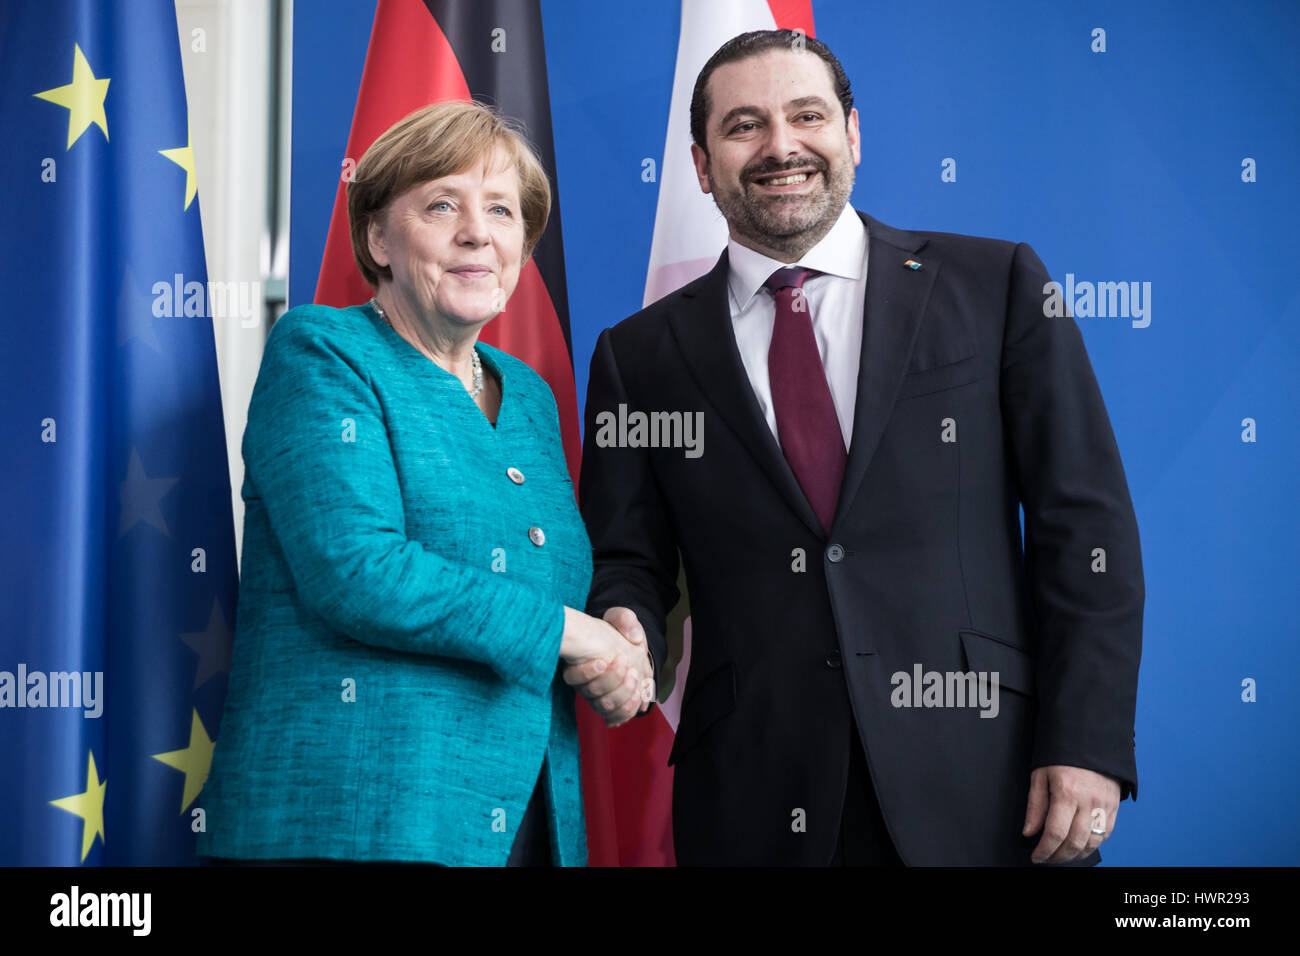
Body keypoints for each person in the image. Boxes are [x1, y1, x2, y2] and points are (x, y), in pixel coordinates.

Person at [570, 30, 1143, 866]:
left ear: (853, 134)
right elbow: (627, 556)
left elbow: (1085, 530)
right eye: (744, 126)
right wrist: (624, 617)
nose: (781, 146)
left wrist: (1087, 742)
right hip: (754, 795)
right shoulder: (640, 354)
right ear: (701, 164)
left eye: (807, 115)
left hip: (989, 781)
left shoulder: (996, 287)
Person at [197, 100, 652, 867]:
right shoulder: (323, 352)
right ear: (378, 237)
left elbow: (544, 578)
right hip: (359, 821)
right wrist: (572, 633)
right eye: (443, 204)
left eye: (502, 210)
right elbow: (358, 570)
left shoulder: (530, 395)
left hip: (525, 823)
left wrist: (616, 643)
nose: (479, 231)